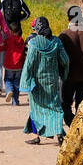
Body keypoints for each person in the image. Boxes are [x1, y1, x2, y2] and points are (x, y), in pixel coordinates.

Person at [22, 16, 70, 144]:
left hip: (37, 82)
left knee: (36, 108)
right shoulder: (56, 42)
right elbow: (65, 60)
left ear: (37, 28)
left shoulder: (34, 43)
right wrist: (64, 74)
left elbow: (29, 64)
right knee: (55, 107)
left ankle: (36, 136)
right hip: (53, 80)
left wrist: (26, 82)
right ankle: (59, 133)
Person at [2, 30, 26, 106]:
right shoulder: (21, 40)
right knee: (17, 83)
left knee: (8, 79)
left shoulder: (9, 39)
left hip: (9, 64)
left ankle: (9, 90)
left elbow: (3, 47)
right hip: (19, 65)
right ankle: (15, 101)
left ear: (12, 31)